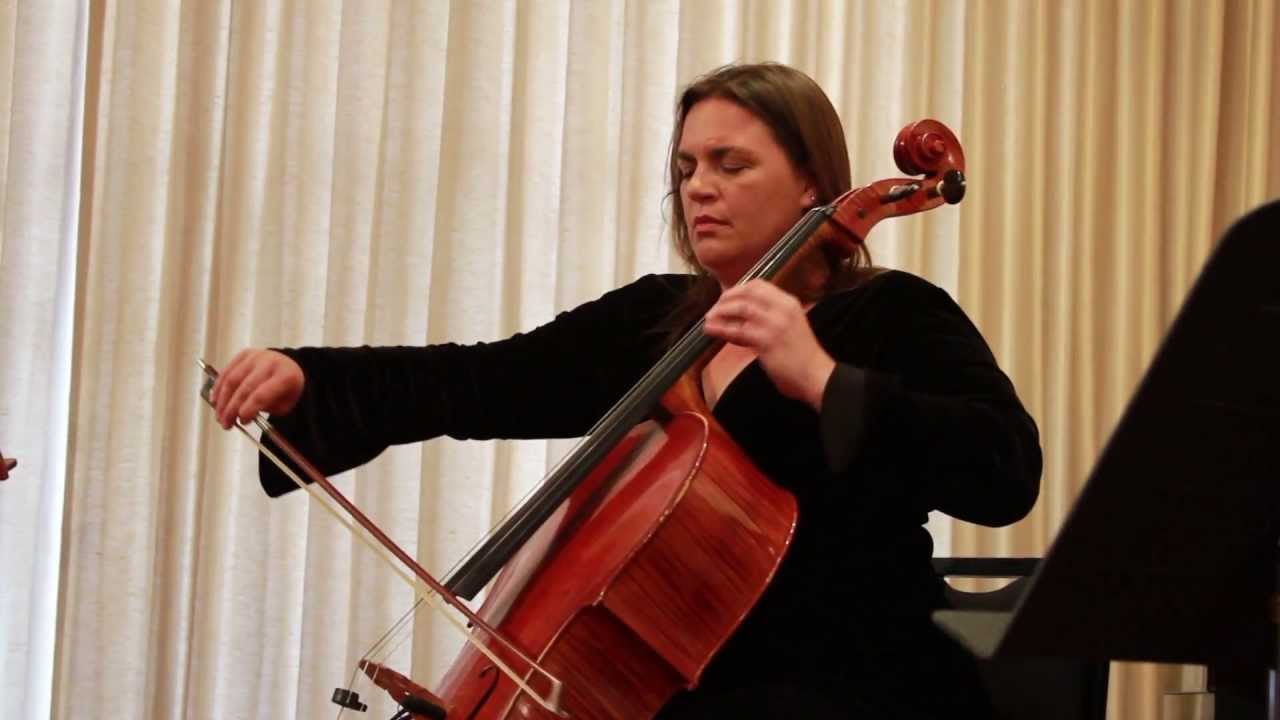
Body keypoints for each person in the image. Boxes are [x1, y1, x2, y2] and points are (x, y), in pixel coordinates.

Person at [211, 62, 1041, 718]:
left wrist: (822, 378)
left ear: (809, 185)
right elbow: (478, 379)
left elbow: (1005, 469)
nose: (698, 186)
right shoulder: (659, 322)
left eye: (731, 163)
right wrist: (310, 377)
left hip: (860, 680)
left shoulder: (889, 313)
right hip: (677, 688)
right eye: (686, 166)